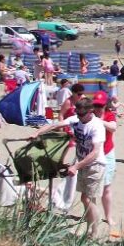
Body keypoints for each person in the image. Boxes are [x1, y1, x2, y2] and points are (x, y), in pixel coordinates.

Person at [34, 97, 106, 236]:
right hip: (83, 165)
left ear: (90, 112)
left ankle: (94, 232)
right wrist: (37, 133)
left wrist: (76, 166)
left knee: (87, 199)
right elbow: (55, 125)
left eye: (81, 114)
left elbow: (96, 152)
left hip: (95, 166)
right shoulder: (76, 120)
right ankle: (92, 231)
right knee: (88, 199)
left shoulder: (97, 126)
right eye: (77, 114)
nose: (79, 117)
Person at [93, 93, 119, 226]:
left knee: (106, 187)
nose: (98, 108)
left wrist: (99, 121)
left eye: (100, 105)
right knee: (91, 189)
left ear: (105, 105)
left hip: (107, 153)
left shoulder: (109, 114)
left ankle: (108, 216)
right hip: (93, 154)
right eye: (96, 105)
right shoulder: (89, 115)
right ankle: (93, 217)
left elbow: (113, 127)